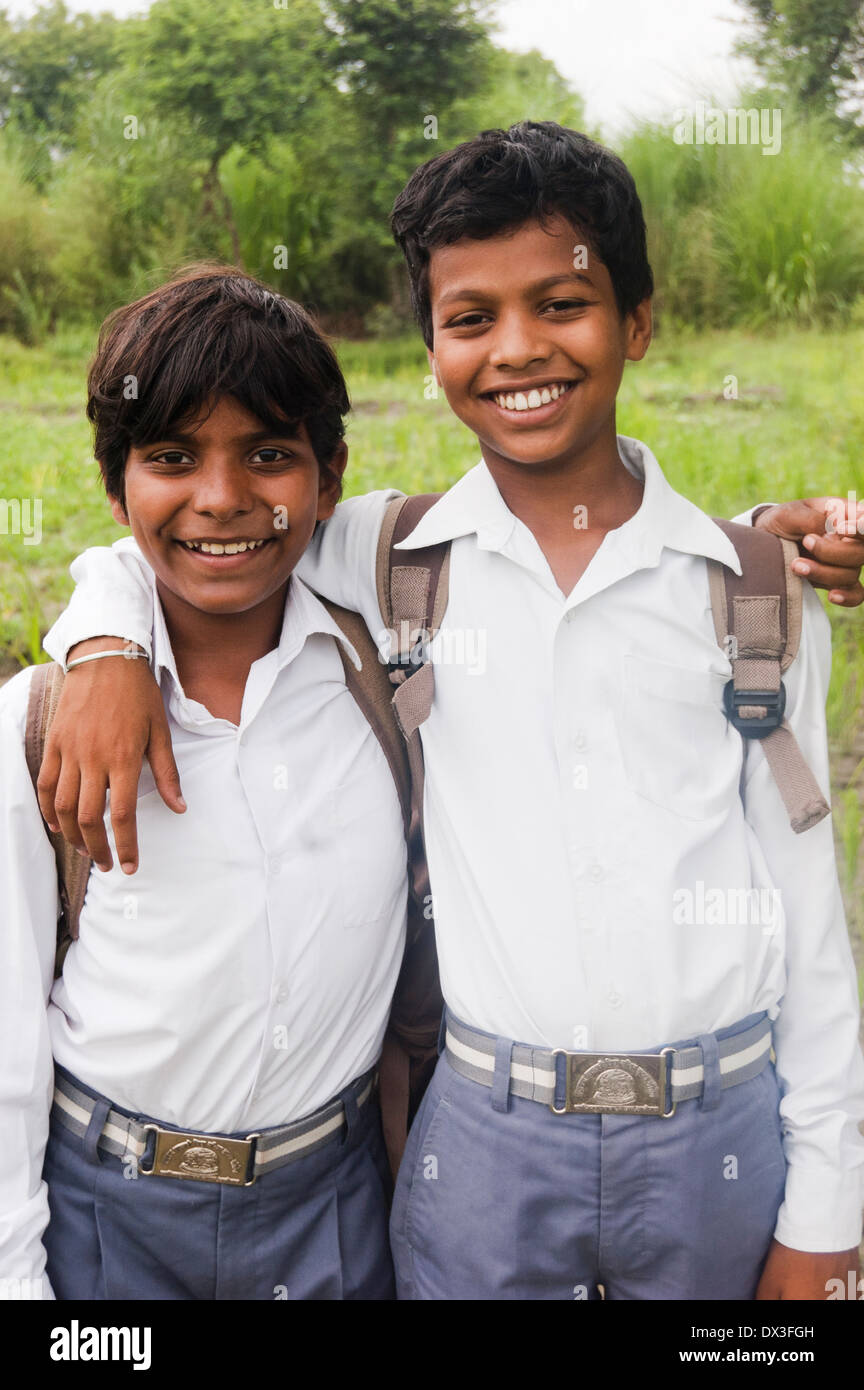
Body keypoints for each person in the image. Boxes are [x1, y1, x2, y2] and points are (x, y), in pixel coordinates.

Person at [34, 124, 864, 1300]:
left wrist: (830, 1210)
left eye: (563, 304)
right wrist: (106, 634)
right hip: (482, 1144)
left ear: (637, 323)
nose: (518, 349)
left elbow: (813, 927)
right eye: (471, 319)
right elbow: (194, 526)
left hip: (718, 1147)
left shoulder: (752, 594)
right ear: (430, 348)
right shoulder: (388, 554)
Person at [0, 266, 419, 1301]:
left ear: (328, 477)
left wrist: (757, 546)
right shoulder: (40, 725)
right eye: (172, 457)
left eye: (270, 455)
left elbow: (553, 560)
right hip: (106, 1215)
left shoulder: (392, 679)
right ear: (116, 485)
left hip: (336, 1203)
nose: (222, 499)